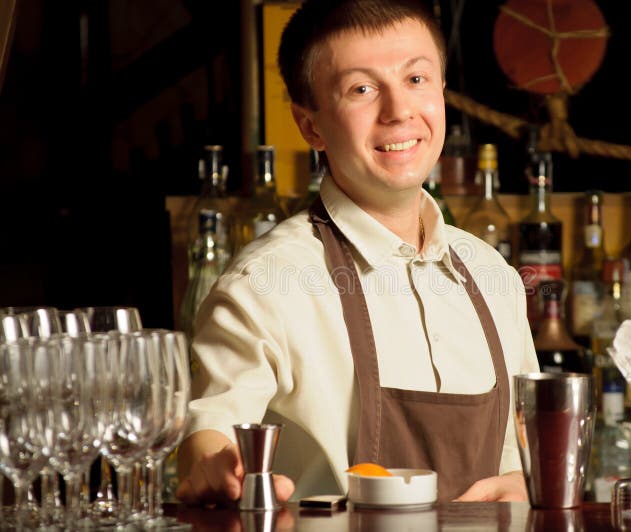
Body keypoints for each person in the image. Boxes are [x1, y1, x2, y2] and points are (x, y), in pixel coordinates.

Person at [177, 0, 538, 505]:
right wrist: (215, 465)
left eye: (417, 80)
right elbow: (209, 429)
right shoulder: (264, 283)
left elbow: (521, 454)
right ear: (311, 126)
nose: (398, 111)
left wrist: (526, 486)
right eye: (362, 89)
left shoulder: (492, 274)